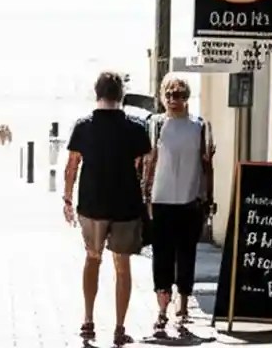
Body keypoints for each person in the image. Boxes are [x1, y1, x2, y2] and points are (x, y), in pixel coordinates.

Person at [62, 71, 152, 346]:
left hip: (92, 204)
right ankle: (119, 327)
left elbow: (72, 166)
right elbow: (145, 165)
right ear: (121, 94)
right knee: (122, 267)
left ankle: (88, 320)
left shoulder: (83, 126)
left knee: (92, 258)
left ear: (97, 93)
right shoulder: (136, 127)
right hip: (126, 205)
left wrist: (67, 199)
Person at [142, 75, 215, 336]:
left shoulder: (199, 126)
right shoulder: (156, 124)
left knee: (186, 255)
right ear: (163, 97)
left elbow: (207, 166)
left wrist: (209, 198)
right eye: (170, 95)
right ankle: (162, 309)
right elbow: (148, 161)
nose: (174, 100)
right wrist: (145, 195)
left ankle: (183, 307)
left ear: (187, 98)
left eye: (180, 95)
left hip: (190, 200)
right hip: (161, 199)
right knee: (161, 256)